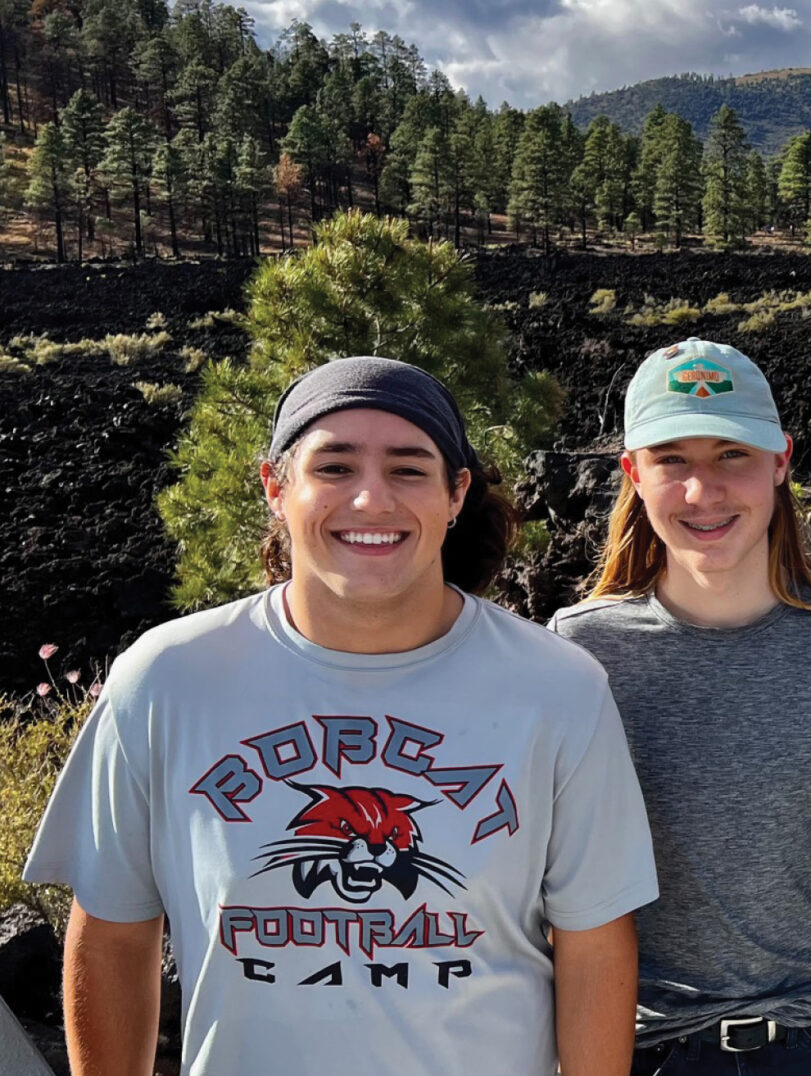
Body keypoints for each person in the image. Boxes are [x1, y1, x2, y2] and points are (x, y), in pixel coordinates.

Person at [25, 356, 658, 1076]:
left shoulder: (557, 689)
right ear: (275, 486)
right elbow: (111, 931)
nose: (369, 500)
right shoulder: (168, 679)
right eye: (334, 467)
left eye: (409, 469)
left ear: (455, 495)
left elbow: (596, 943)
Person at [549, 338, 811, 1076]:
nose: (702, 491)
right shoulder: (578, 656)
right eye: (672, 459)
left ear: (781, 462)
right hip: (644, 1046)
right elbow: (556, 893)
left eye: (731, 455)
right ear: (633, 475)